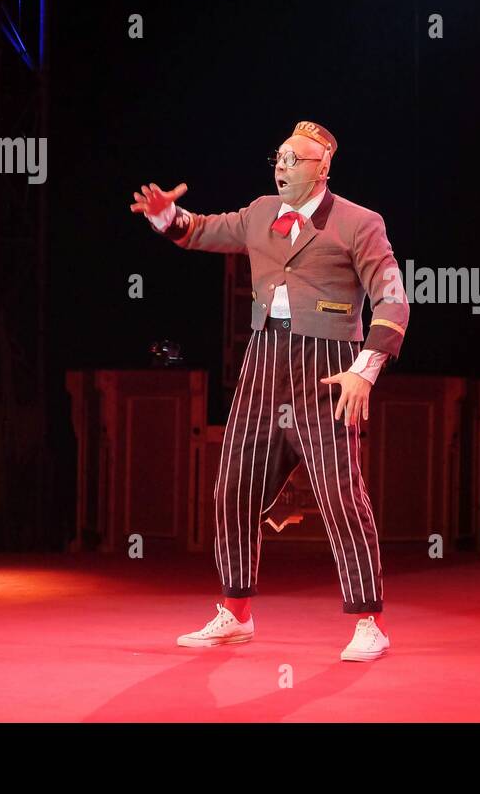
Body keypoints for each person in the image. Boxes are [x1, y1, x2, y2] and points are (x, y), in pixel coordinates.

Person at [129, 120, 408, 662]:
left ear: (322, 167)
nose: (281, 166)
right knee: (232, 487)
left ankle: (368, 621)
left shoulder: (359, 222)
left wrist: (364, 370)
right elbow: (201, 230)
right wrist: (166, 213)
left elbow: (393, 301)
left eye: (293, 160)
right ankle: (235, 613)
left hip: (327, 367)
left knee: (339, 494)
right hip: (263, 362)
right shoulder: (260, 212)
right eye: (277, 157)